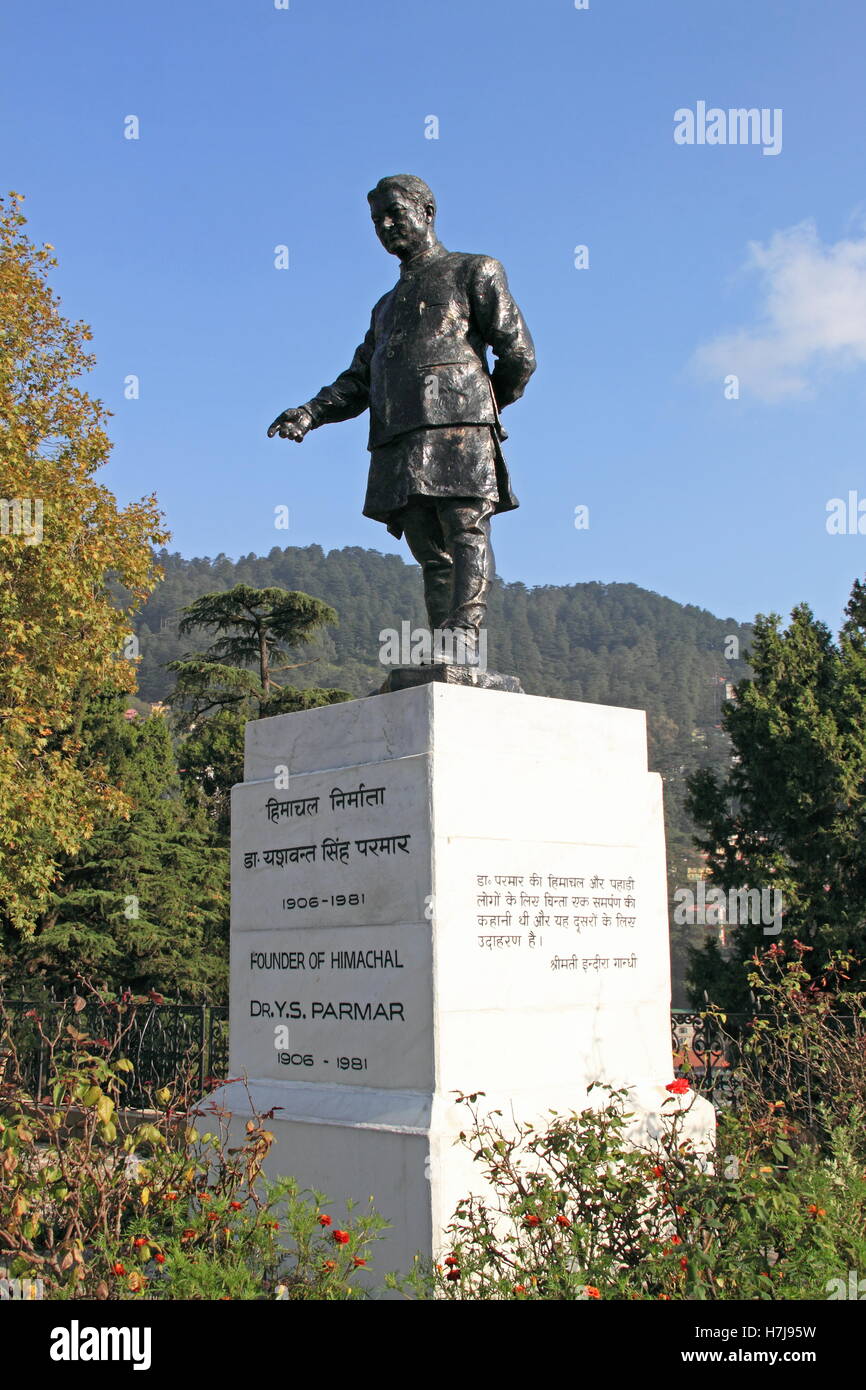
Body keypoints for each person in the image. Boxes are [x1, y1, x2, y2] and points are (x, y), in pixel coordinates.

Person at [267, 174, 536, 661]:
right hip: (398, 438)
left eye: (395, 213)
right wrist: (310, 412)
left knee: (466, 527)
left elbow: (518, 353)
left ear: (427, 212)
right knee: (430, 551)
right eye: (377, 221)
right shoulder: (384, 308)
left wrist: (482, 405)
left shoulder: (475, 270)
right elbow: (360, 380)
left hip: (460, 429)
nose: (386, 226)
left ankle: (465, 637)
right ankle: (447, 651)